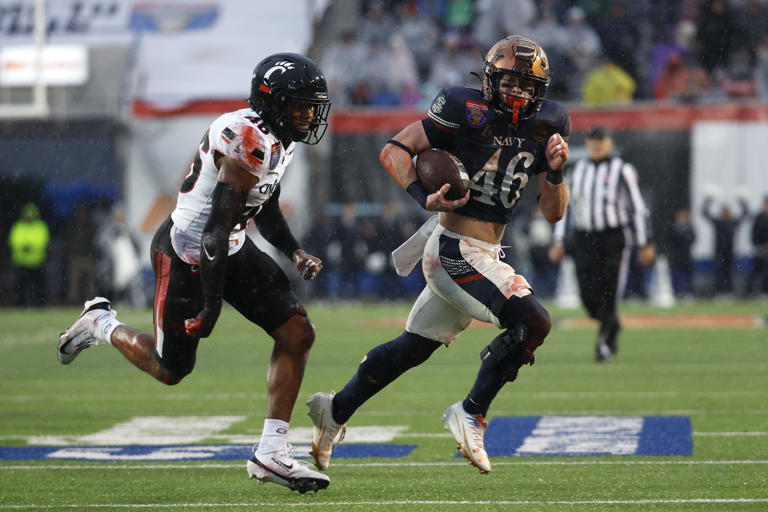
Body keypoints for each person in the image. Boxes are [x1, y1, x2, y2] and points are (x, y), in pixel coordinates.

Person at [57, 53, 332, 494]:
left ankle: (272, 452)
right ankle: (101, 323)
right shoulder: (247, 138)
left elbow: (266, 201)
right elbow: (211, 235)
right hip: (188, 254)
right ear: (274, 102)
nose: (308, 114)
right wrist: (210, 306)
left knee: (298, 332)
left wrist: (293, 250)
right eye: (300, 104)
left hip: (231, 247)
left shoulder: (279, 137)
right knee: (171, 370)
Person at [307, 35, 570, 475]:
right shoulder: (461, 107)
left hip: (486, 248)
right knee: (533, 321)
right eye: (508, 81)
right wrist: (419, 193)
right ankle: (471, 411)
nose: (517, 91)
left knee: (412, 348)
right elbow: (394, 149)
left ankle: (333, 412)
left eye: (527, 84)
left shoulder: (550, 121)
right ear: (489, 79)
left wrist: (558, 172)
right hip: (454, 246)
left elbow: (553, 212)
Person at [549, 126, 655, 362]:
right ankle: (612, 324)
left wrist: (645, 242)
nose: (596, 145)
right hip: (584, 237)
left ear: (609, 143)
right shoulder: (578, 170)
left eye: (601, 141)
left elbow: (637, 208)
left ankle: (604, 345)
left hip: (613, 237)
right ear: (587, 144)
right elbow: (564, 207)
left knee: (609, 290)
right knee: (587, 294)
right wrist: (558, 240)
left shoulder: (622, 169)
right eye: (592, 141)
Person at [701, 195, 749, 296]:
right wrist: (708, 200)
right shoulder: (718, 222)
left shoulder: (733, 222)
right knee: (719, 273)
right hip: (719, 251)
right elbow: (705, 213)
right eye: (724, 211)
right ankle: (719, 292)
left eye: (727, 211)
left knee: (728, 273)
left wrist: (742, 202)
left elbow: (745, 214)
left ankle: (728, 292)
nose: (725, 213)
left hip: (729, 251)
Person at [8, 202, 50, 307]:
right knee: (20, 285)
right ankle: (20, 304)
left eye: (31, 215)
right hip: (21, 262)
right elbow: (14, 240)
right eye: (27, 215)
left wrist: (31, 247)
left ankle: (40, 305)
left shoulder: (41, 226)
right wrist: (23, 247)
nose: (29, 217)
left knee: (39, 285)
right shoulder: (18, 226)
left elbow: (43, 240)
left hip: (37, 261)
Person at [668, 208, 696, 298]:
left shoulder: (689, 227)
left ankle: (687, 292)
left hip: (686, 255)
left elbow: (692, 238)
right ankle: (676, 293)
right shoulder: (674, 227)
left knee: (687, 274)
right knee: (676, 274)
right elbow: (671, 239)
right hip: (676, 255)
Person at [750, 196, 768, 296]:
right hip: (761, 248)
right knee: (757, 271)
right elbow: (755, 233)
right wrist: (758, 246)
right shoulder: (760, 217)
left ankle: (765, 291)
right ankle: (753, 292)